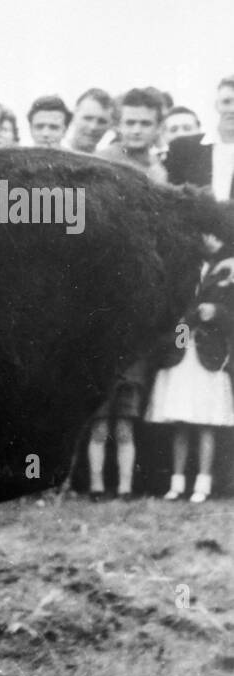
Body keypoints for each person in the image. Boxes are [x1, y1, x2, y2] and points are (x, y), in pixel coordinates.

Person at [145, 233, 234, 503]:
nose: (208, 239)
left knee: (205, 421)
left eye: (214, 235)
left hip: (210, 355)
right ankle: (177, 483)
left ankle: (202, 485)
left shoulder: (229, 268)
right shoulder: (186, 267)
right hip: (184, 352)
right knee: (180, 420)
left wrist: (217, 312)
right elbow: (177, 313)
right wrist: (183, 332)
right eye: (204, 234)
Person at [98, 87, 167, 183]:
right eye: (130, 123)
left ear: (158, 128)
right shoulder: (101, 160)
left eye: (145, 124)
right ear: (119, 126)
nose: (136, 131)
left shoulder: (157, 166)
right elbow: (73, 196)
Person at [64, 88, 116, 155]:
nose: (93, 127)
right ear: (74, 116)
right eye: (88, 118)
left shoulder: (107, 161)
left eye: (101, 121)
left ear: (110, 125)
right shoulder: (54, 151)